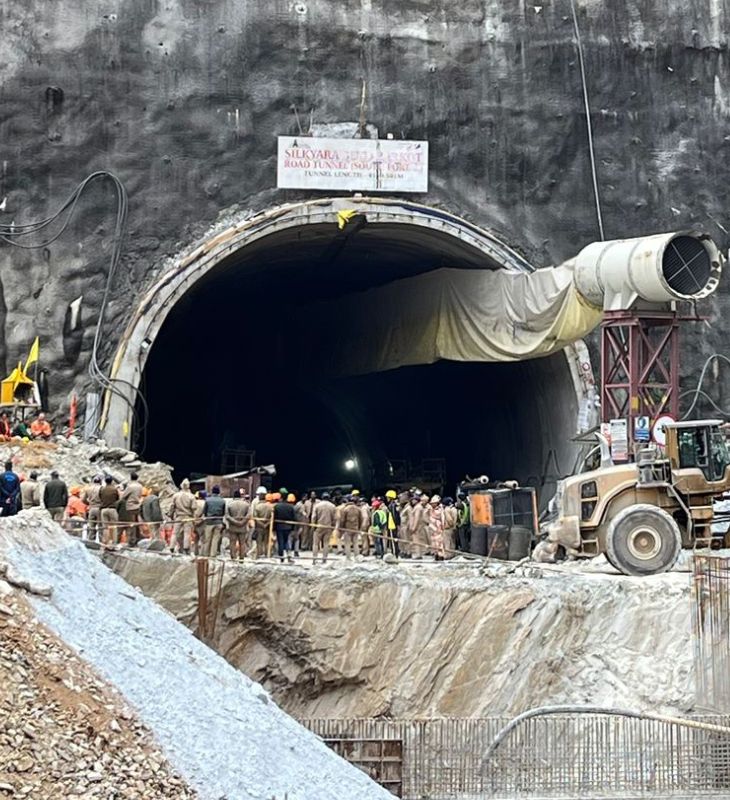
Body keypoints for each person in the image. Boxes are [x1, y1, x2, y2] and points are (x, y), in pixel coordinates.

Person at [170, 479, 197, 555]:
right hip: (188, 517)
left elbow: (172, 507)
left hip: (178, 517)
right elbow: (194, 507)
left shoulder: (175, 495)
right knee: (187, 533)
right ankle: (186, 548)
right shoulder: (191, 496)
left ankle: (171, 547)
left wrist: (171, 515)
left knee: (175, 533)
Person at [225, 488, 251, 560]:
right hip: (243, 527)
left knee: (232, 543)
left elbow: (227, 516)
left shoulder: (230, 504)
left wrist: (234, 522)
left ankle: (233, 557)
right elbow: (249, 515)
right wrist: (242, 522)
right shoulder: (246, 504)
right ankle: (241, 558)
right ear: (240, 496)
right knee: (242, 543)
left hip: (232, 527)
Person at [119, 472, 144, 547]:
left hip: (130, 506)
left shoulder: (130, 486)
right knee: (136, 523)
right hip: (137, 505)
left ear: (130, 477)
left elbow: (123, 496)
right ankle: (137, 538)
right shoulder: (140, 486)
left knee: (131, 525)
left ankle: (132, 541)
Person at [312, 491, 337, 564]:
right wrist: (333, 527)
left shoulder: (317, 505)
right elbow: (335, 518)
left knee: (315, 544)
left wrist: (313, 526)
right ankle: (324, 560)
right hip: (328, 527)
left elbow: (314, 517)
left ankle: (314, 559)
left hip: (318, 526)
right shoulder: (332, 506)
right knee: (326, 544)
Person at [202, 485, 226, 557]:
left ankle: (206, 554)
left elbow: (204, 511)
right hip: (218, 522)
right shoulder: (222, 501)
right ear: (219, 492)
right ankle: (213, 554)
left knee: (207, 539)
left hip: (209, 522)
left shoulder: (207, 500)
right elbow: (223, 512)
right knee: (215, 539)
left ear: (212, 491)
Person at [336, 495, 362, 560]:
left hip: (347, 529)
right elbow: (361, 519)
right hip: (355, 528)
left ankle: (348, 558)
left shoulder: (345, 509)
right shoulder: (358, 509)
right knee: (355, 544)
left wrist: (341, 528)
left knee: (347, 544)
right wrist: (359, 527)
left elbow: (342, 520)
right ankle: (357, 557)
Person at [273, 492, 297, 563]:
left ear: (281, 498)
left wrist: (273, 528)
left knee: (280, 542)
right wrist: (293, 528)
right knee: (287, 541)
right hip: (288, 527)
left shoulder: (277, 506)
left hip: (279, 527)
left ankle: (281, 557)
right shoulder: (291, 507)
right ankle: (289, 555)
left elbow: (274, 518)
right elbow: (294, 518)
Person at [251, 487, 273, 559]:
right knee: (266, 541)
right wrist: (266, 524)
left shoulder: (257, 506)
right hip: (267, 527)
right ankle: (267, 554)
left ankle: (259, 555)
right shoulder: (270, 506)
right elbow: (271, 518)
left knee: (259, 542)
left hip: (259, 527)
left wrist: (261, 524)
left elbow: (255, 516)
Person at [99, 476, 120, 544]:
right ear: (112, 481)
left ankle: (106, 542)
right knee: (114, 527)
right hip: (112, 509)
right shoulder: (114, 489)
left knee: (105, 527)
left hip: (103, 509)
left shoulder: (102, 489)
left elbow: (100, 497)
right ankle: (113, 542)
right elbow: (117, 498)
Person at [427, 495, 447, 560]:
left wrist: (443, 526)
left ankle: (440, 555)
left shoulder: (440, 509)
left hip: (438, 527)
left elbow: (443, 518)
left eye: (434, 503)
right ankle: (435, 554)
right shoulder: (430, 509)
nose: (432, 504)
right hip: (432, 527)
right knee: (433, 542)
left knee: (439, 542)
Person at [411, 494, 431, 559]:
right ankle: (418, 553)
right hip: (418, 526)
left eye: (413, 499)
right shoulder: (418, 507)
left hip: (417, 526)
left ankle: (418, 554)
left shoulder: (418, 507)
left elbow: (417, 518)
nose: (412, 501)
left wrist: (414, 527)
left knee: (417, 540)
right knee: (417, 540)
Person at [84, 476, 103, 541]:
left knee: (91, 526)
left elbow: (83, 499)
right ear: (100, 481)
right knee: (100, 526)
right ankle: (101, 541)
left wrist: (88, 503)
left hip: (91, 508)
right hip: (99, 508)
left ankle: (91, 540)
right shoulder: (101, 488)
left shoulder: (88, 489)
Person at [384, 490, 401, 557]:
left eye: (388, 497)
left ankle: (394, 552)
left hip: (392, 525)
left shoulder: (392, 505)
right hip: (393, 525)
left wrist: (395, 524)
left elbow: (394, 516)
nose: (387, 498)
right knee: (394, 539)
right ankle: (395, 551)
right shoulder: (394, 505)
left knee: (393, 540)